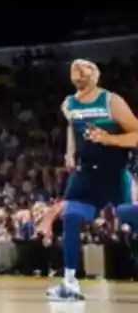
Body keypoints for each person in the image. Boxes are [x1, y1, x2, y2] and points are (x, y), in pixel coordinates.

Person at [46, 58, 138, 302]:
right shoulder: (68, 104)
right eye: (74, 69)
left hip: (114, 172)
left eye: (84, 69)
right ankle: (69, 283)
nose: (78, 71)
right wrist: (70, 152)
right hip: (87, 174)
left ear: (96, 76)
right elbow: (72, 127)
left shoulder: (111, 101)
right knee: (72, 218)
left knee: (128, 216)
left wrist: (110, 140)